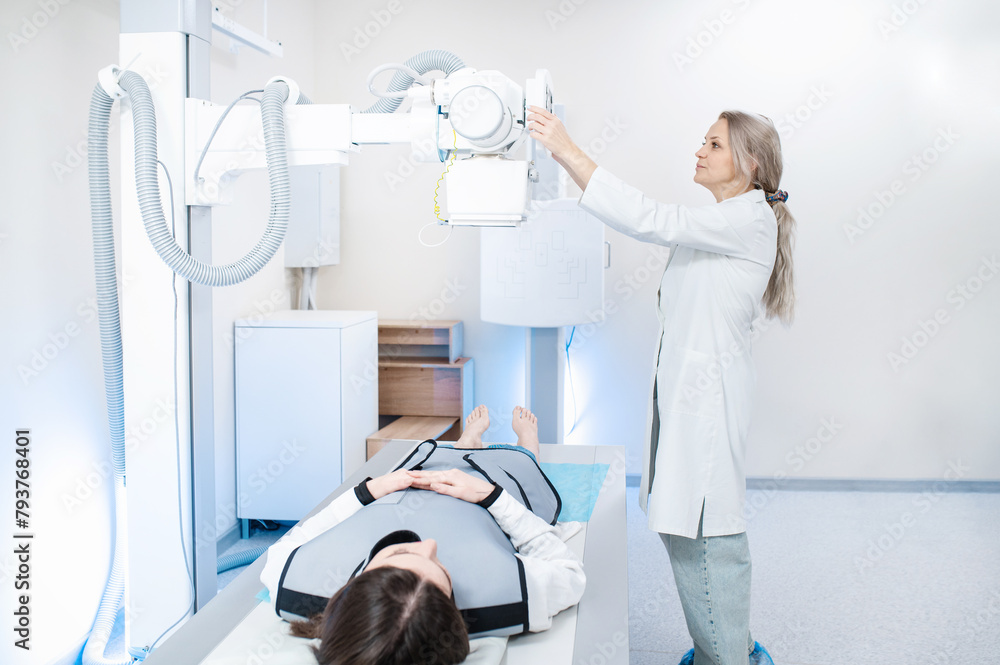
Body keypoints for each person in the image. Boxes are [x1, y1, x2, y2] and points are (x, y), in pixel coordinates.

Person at [528, 106, 794, 665]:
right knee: (686, 528)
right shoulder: (724, 221)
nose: (699, 151)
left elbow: (651, 218)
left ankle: (728, 656)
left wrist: (566, 149)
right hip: (687, 397)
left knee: (708, 536)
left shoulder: (746, 219)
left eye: (714, 144)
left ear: (749, 164)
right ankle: (727, 647)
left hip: (709, 402)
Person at [259, 405, 586, 665]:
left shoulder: (295, 586)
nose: (429, 545)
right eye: (443, 568)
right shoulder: (506, 596)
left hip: (409, 488)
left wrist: (367, 492)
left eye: (401, 552)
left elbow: (295, 540)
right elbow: (568, 571)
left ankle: (467, 442)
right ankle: (529, 446)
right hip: (487, 497)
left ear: (352, 588)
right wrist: (491, 496)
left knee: (437, 460)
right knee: (519, 472)